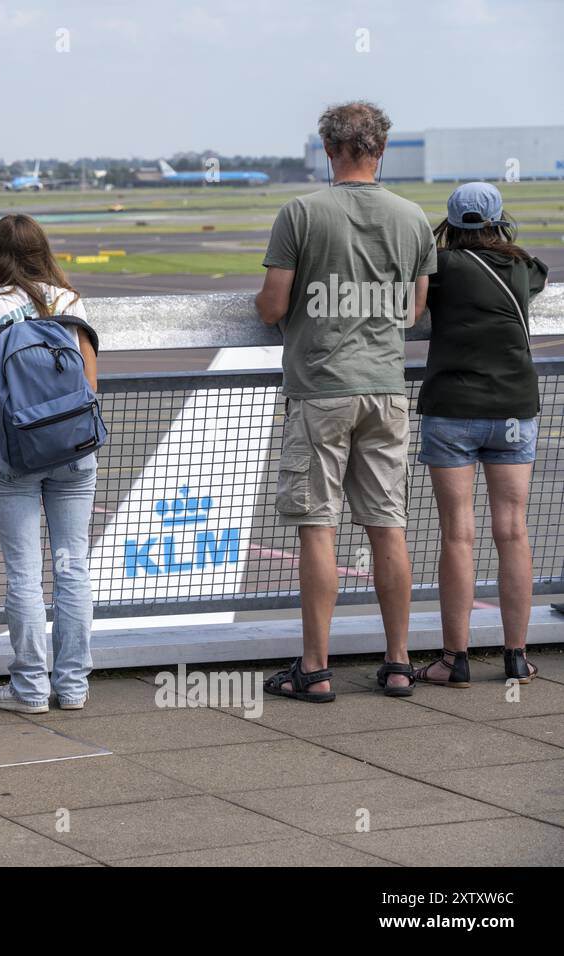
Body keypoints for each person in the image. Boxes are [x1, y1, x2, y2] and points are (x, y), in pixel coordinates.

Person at [255, 101, 436, 702]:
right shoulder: (412, 218)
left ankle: (315, 666)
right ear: (380, 150)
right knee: (388, 525)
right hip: (386, 387)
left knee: (317, 525)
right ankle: (399, 661)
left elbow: (274, 306)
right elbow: (412, 311)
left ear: (328, 150)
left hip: (320, 388)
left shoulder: (301, 213)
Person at [0, 214, 98, 713]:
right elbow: (90, 384)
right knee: (72, 567)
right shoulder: (69, 302)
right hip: (75, 452)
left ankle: (30, 688)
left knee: (24, 573)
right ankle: (75, 686)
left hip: (16, 454)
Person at [414, 183, 548, 687]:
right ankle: (517, 655)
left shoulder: (442, 269)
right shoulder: (522, 267)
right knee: (512, 531)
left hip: (452, 409)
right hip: (513, 408)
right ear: (497, 220)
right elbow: (537, 274)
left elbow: (417, 292)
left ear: (450, 222)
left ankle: (456, 658)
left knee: (458, 533)